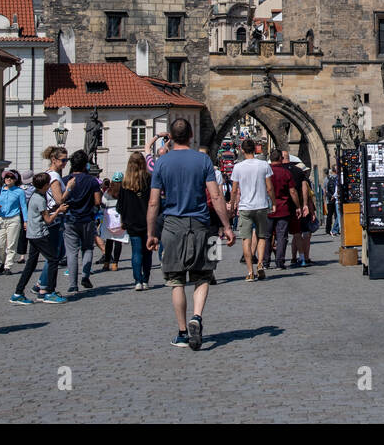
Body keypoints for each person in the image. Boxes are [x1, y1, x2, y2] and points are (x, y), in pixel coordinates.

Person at [147, 117, 234, 350]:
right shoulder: (203, 160)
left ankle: (183, 331)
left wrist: (151, 232)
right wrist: (226, 227)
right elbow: (216, 197)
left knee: (176, 281)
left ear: (172, 138)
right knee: (203, 276)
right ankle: (197, 316)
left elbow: (154, 202)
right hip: (201, 226)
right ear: (191, 136)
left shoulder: (161, 163)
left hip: (172, 227)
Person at [10, 173, 67, 305]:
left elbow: (41, 213)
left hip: (32, 233)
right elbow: (47, 220)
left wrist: (53, 209)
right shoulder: (40, 199)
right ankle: (49, 292)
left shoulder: (36, 195)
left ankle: (18, 292)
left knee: (31, 264)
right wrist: (59, 211)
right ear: (46, 185)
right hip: (39, 234)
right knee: (53, 259)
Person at [229, 138, 273, 281]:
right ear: (255, 149)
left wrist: (232, 204)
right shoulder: (263, 164)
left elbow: (234, 190)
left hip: (245, 207)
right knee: (261, 237)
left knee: (246, 240)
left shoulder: (238, 167)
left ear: (242, 150)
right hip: (261, 205)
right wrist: (274, 202)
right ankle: (260, 263)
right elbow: (270, 187)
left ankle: (250, 272)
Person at [60, 151, 102, 294]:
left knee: (71, 253)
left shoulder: (65, 180)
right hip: (87, 219)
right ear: (85, 165)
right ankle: (85, 276)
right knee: (88, 248)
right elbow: (97, 201)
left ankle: (73, 284)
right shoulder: (91, 181)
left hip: (70, 219)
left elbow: (61, 199)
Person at [116, 153, 153, 289]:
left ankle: (137, 281)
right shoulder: (148, 179)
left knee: (136, 252)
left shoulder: (125, 182)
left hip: (131, 221)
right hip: (147, 220)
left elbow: (120, 205)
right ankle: (145, 279)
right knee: (147, 252)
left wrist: (123, 219)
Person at [35, 147, 69, 297]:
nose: (65, 163)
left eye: (66, 160)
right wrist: (69, 188)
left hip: (51, 215)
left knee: (57, 253)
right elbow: (59, 199)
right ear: (54, 160)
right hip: (55, 216)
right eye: (63, 160)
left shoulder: (49, 174)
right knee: (54, 254)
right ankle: (44, 286)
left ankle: (41, 283)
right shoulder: (54, 176)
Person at [0, 170, 28, 275]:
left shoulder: (19, 191)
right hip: (0, 219)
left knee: (11, 244)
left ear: (15, 179)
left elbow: (23, 206)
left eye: (11, 177)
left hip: (14, 219)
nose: (8, 179)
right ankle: (3, 261)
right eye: (7, 177)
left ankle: (8, 266)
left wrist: (26, 221)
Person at [265, 151, 298, 269]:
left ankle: (265, 262)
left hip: (268, 209)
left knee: (267, 236)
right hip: (283, 208)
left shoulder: (266, 172)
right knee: (281, 236)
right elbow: (292, 191)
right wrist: (298, 206)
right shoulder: (286, 172)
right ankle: (280, 262)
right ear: (281, 158)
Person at [288, 160, 317, 267]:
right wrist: (312, 212)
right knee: (306, 235)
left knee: (296, 235)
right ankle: (305, 256)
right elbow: (309, 198)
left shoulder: (292, 180)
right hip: (304, 210)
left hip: (294, 209)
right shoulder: (305, 181)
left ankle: (293, 257)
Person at [99, 176, 127, 270]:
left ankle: (106, 262)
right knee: (118, 241)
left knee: (109, 241)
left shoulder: (108, 192)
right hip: (120, 217)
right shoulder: (124, 192)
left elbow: (103, 204)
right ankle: (115, 263)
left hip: (109, 219)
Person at [323, 169, 339, 236]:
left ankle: (328, 230)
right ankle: (336, 230)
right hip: (336, 198)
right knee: (336, 214)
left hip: (329, 199)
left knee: (329, 215)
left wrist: (325, 199)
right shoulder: (337, 177)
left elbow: (325, 190)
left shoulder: (326, 179)